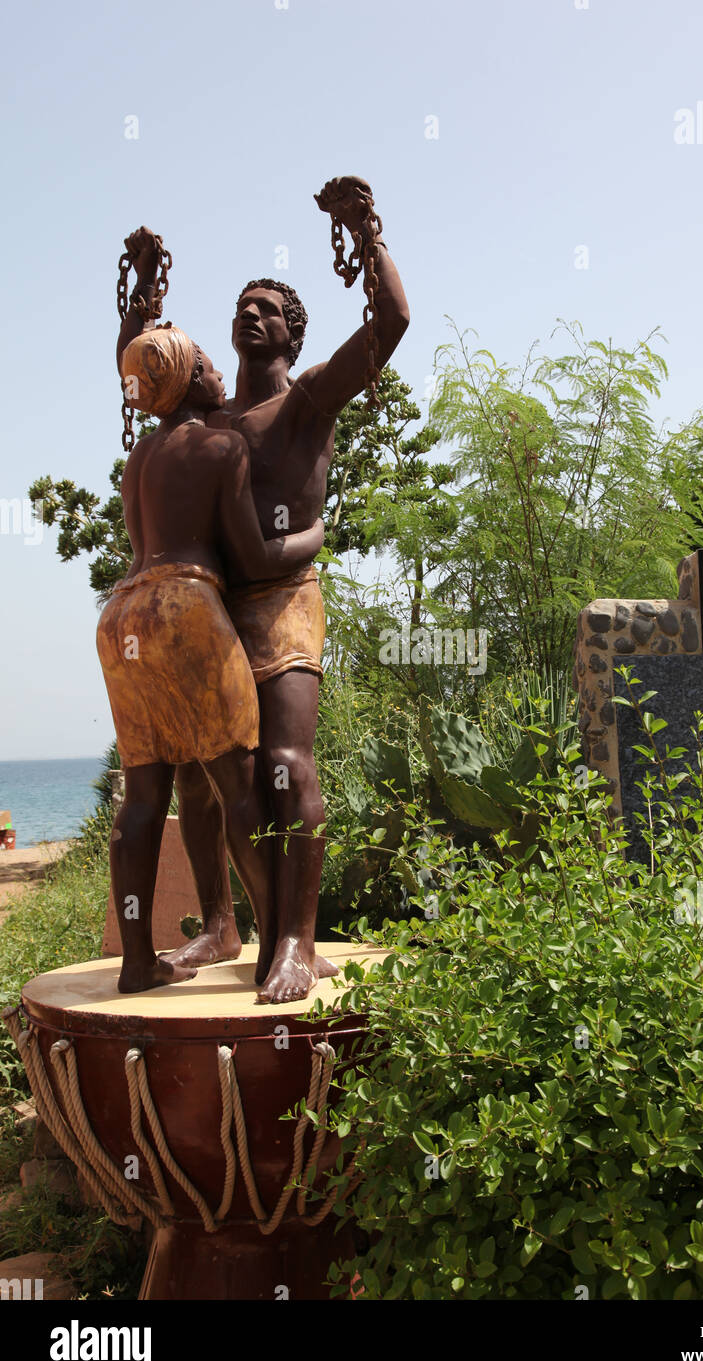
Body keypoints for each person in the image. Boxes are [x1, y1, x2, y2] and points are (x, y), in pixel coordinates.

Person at [118, 178, 409, 1003]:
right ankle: (219, 924)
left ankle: (294, 938)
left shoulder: (307, 400)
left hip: (282, 605)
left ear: (293, 331)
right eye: (241, 306)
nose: (250, 315)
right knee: (201, 777)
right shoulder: (204, 426)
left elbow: (389, 324)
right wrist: (142, 298)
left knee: (283, 764)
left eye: (268, 309)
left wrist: (365, 232)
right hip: (210, 615)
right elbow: (139, 374)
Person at [98, 323, 325, 993]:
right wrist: (312, 534)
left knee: (143, 797)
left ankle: (138, 963)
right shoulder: (223, 445)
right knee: (242, 784)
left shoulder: (138, 458)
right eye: (205, 365)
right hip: (185, 610)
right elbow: (253, 556)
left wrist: (141, 309)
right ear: (191, 380)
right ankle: (276, 947)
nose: (218, 372)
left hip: (121, 617)